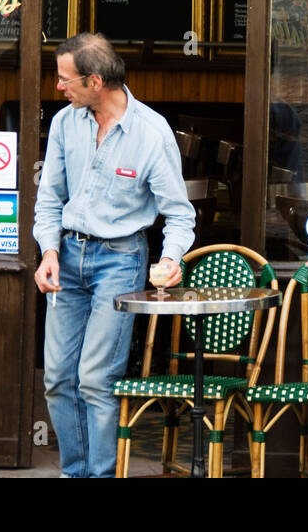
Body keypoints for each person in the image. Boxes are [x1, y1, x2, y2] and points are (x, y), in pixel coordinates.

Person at [32, 32, 194, 477]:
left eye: (67, 79)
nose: (59, 86)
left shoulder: (151, 133)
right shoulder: (66, 122)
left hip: (120, 261)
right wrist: (47, 251)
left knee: (96, 381)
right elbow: (49, 199)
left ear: (96, 81)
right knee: (58, 379)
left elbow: (179, 215)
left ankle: (98, 475)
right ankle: (74, 471)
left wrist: (170, 258)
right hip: (66, 255)